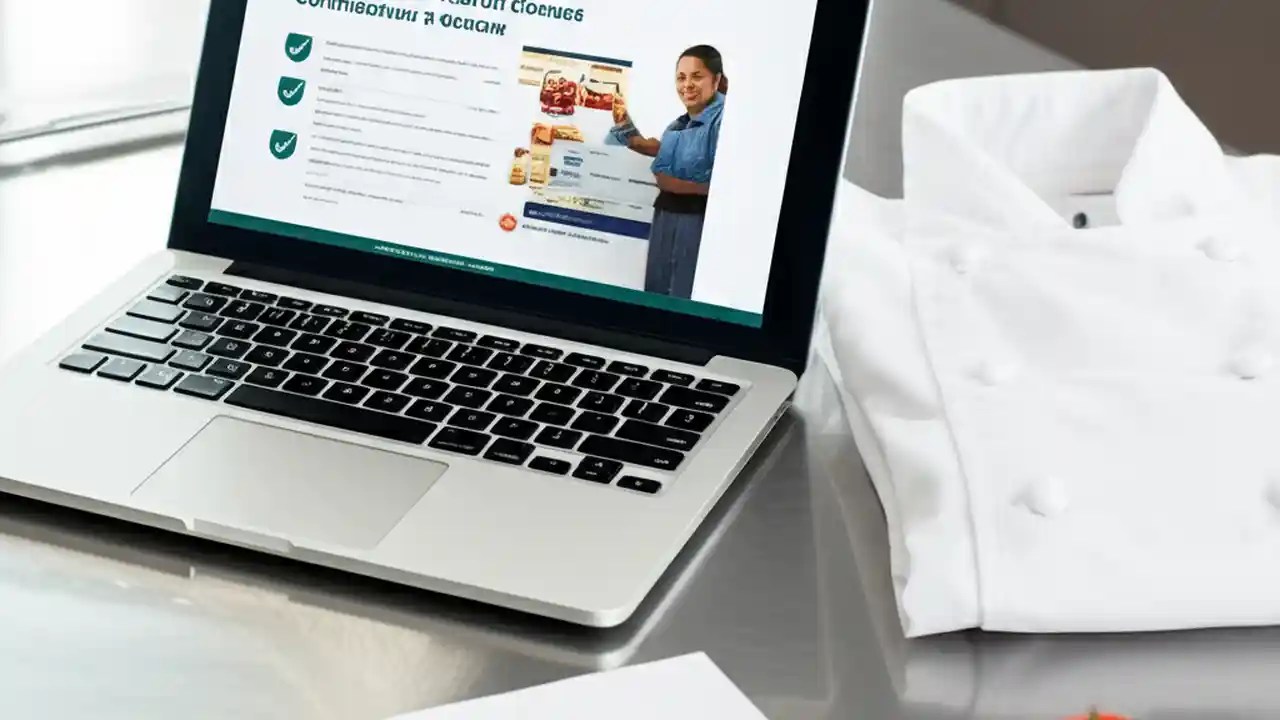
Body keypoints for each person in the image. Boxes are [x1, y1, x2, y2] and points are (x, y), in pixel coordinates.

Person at [610, 45, 727, 299]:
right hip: (667, 213)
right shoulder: (680, 123)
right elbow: (657, 149)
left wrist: (680, 184)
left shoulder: (725, 121)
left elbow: (729, 182)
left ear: (716, 79)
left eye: (697, 76)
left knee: (683, 300)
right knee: (656, 295)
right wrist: (620, 120)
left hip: (695, 220)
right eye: (681, 77)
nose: (687, 85)